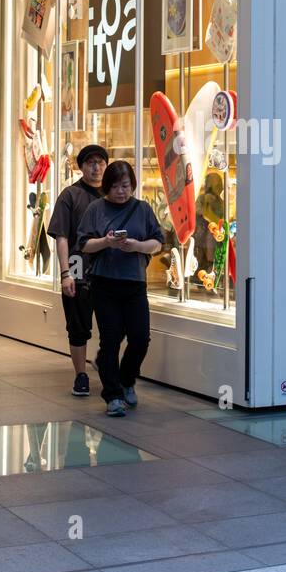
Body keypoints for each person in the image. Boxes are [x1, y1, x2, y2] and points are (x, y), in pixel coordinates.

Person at [76, 160, 165, 417]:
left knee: (140, 338)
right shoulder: (96, 209)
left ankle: (126, 380)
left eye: (125, 185)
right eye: (115, 186)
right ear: (107, 187)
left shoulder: (143, 209)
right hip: (104, 283)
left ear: (133, 185)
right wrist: (106, 241)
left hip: (135, 283)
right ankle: (112, 395)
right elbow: (84, 244)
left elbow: (157, 243)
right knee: (111, 340)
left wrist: (137, 245)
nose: (121, 191)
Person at [46, 144, 107, 397]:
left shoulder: (113, 195)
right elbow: (61, 236)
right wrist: (64, 274)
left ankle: (105, 364)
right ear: (81, 167)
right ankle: (80, 375)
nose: (96, 167)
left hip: (107, 273)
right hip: (78, 270)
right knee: (78, 326)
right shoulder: (70, 195)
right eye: (90, 162)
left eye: (101, 162)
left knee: (113, 327)